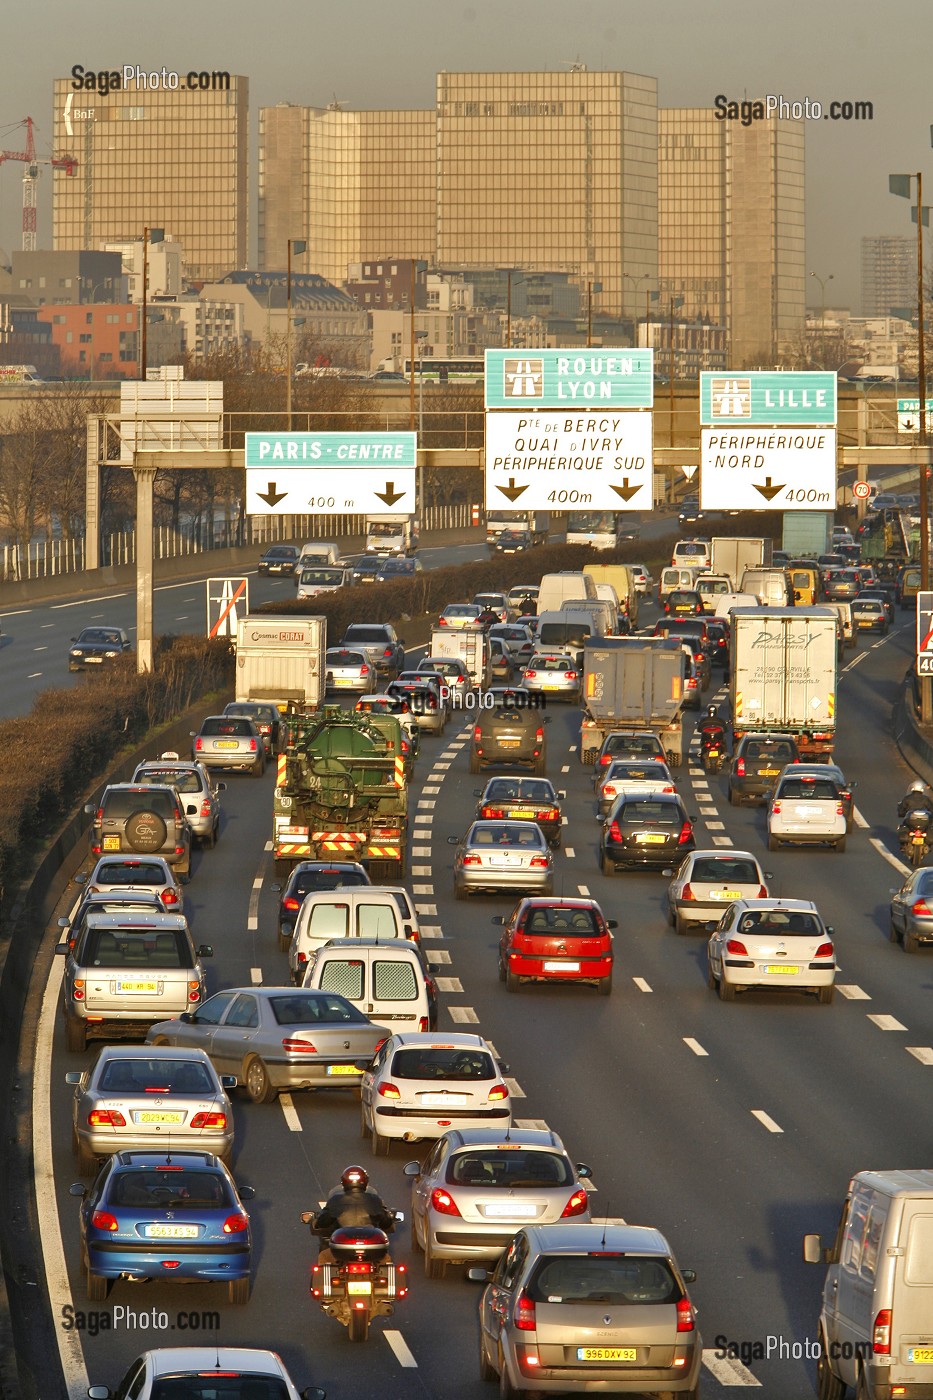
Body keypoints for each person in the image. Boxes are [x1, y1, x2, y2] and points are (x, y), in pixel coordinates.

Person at [301, 1165, 395, 1261]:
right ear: (365, 1182)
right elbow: (386, 1223)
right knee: (385, 1261)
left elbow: (323, 1222)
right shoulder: (375, 1199)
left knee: (324, 1257)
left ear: (344, 1182)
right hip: (371, 1250)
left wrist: (315, 1222)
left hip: (342, 1250)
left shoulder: (336, 1200)